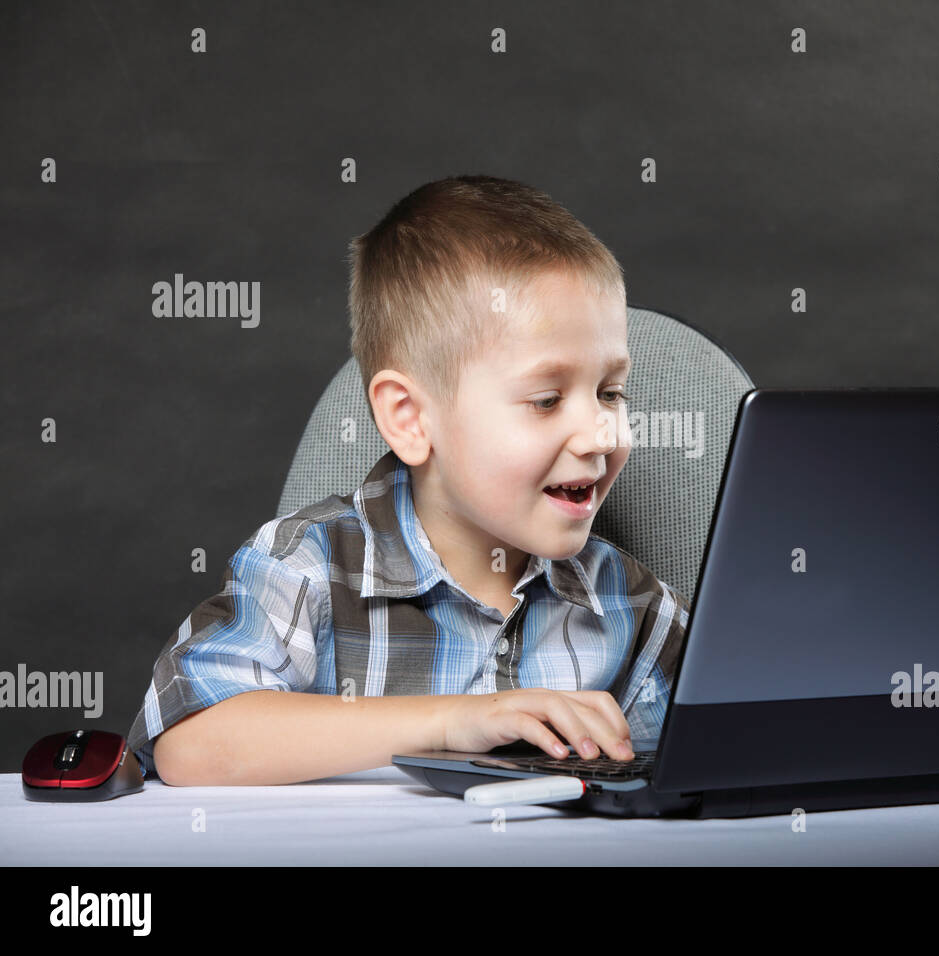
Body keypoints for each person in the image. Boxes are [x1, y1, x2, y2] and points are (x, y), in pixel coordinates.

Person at [125, 175, 690, 786]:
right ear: (411, 418)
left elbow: (724, 760)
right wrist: (453, 722)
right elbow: (190, 739)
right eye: (548, 400)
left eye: (611, 393)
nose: (601, 435)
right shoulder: (307, 566)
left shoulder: (631, 605)